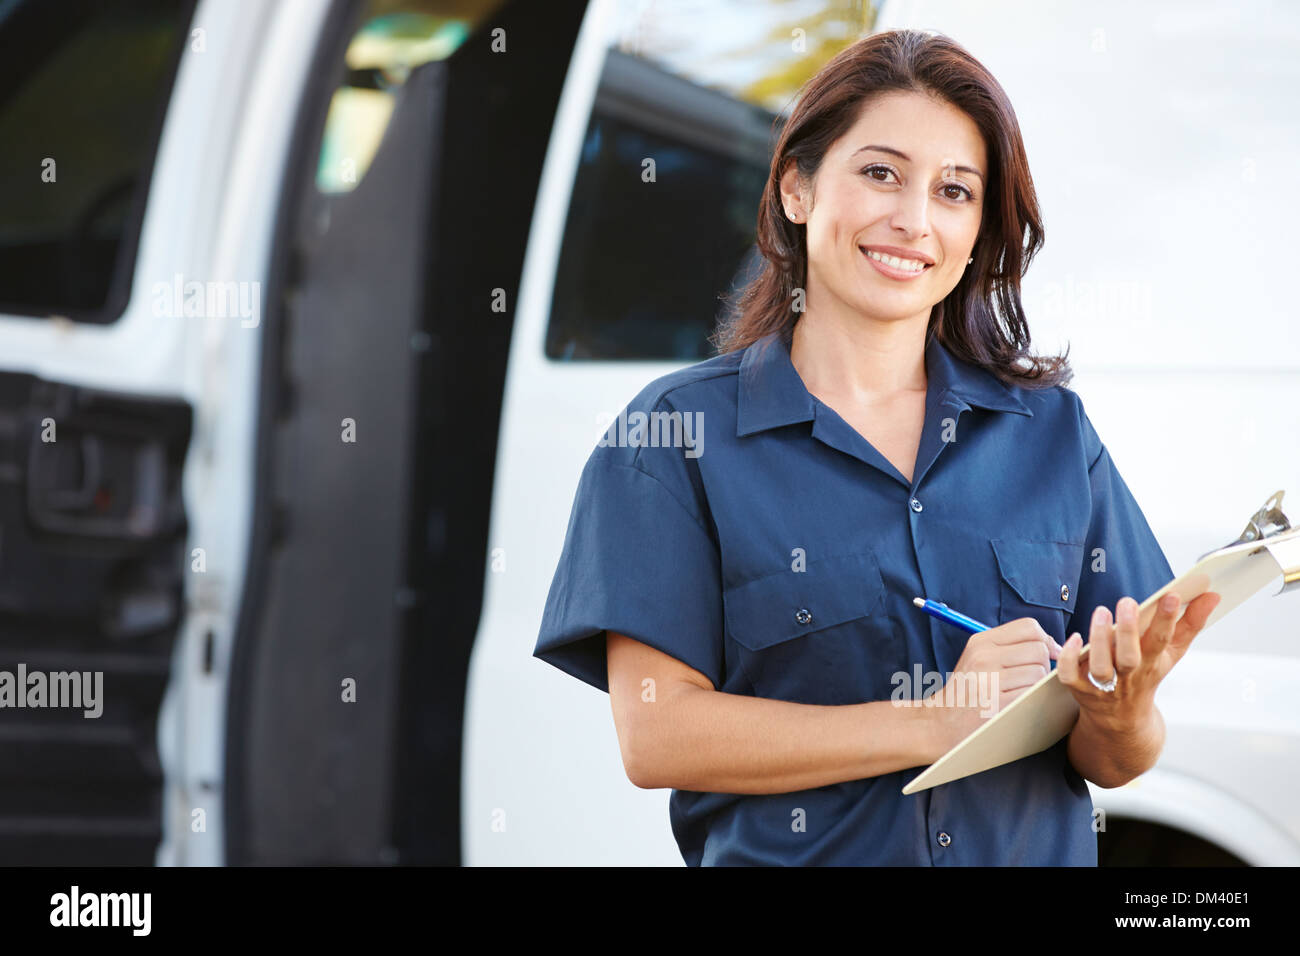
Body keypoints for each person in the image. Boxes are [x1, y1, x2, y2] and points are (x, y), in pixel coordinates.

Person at [532, 28, 1221, 866]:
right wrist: (936, 719)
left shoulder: (1053, 437)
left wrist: (1123, 714)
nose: (914, 219)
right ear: (797, 187)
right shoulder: (676, 438)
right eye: (880, 173)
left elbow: (1114, 759)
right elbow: (659, 734)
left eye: (955, 191)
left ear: (977, 232)